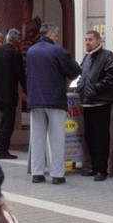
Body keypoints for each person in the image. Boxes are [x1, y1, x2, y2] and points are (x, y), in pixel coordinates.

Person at [25, 24, 81, 185]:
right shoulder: (58, 51)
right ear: (50, 34)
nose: (57, 37)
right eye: (56, 34)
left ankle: (37, 173)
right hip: (55, 98)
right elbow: (74, 70)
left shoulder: (31, 51)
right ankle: (57, 174)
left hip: (35, 99)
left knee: (37, 138)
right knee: (57, 138)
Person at [77, 29, 113, 181]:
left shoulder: (107, 56)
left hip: (101, 103)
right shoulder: (87, 58)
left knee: (101, 137)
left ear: (98, 41)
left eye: (90, 39)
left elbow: (111, 78)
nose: (87, 42)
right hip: (87, 103)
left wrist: (94, 89)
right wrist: (80, 88)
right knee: (90, 137)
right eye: (86, 40)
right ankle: (93, 167)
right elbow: (81, 74)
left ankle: (102, 169)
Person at [0, 29, 25, 161]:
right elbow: (21, 75)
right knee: (8, 122)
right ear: (17, 40)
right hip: (8, 94)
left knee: (4, 120)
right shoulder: (15, 54)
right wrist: (27, 91)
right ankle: (2, 150)